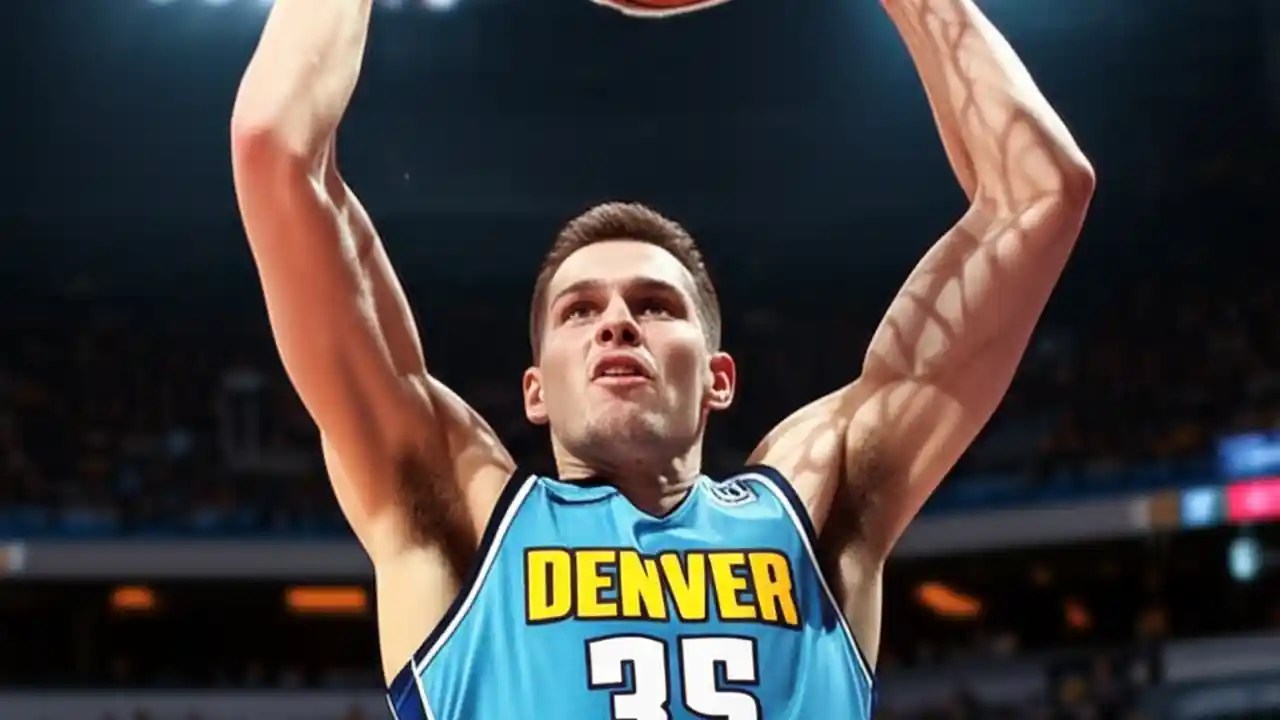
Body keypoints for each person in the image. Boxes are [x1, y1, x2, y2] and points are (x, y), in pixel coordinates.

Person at [229, 0, 1094, 717]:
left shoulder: (817, 509)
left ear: (719, 376)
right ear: (535, 391)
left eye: (654, 306)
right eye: (580, 311)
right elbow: (273, 149)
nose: (616, 325)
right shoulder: (460, 516)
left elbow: (1044, 193)